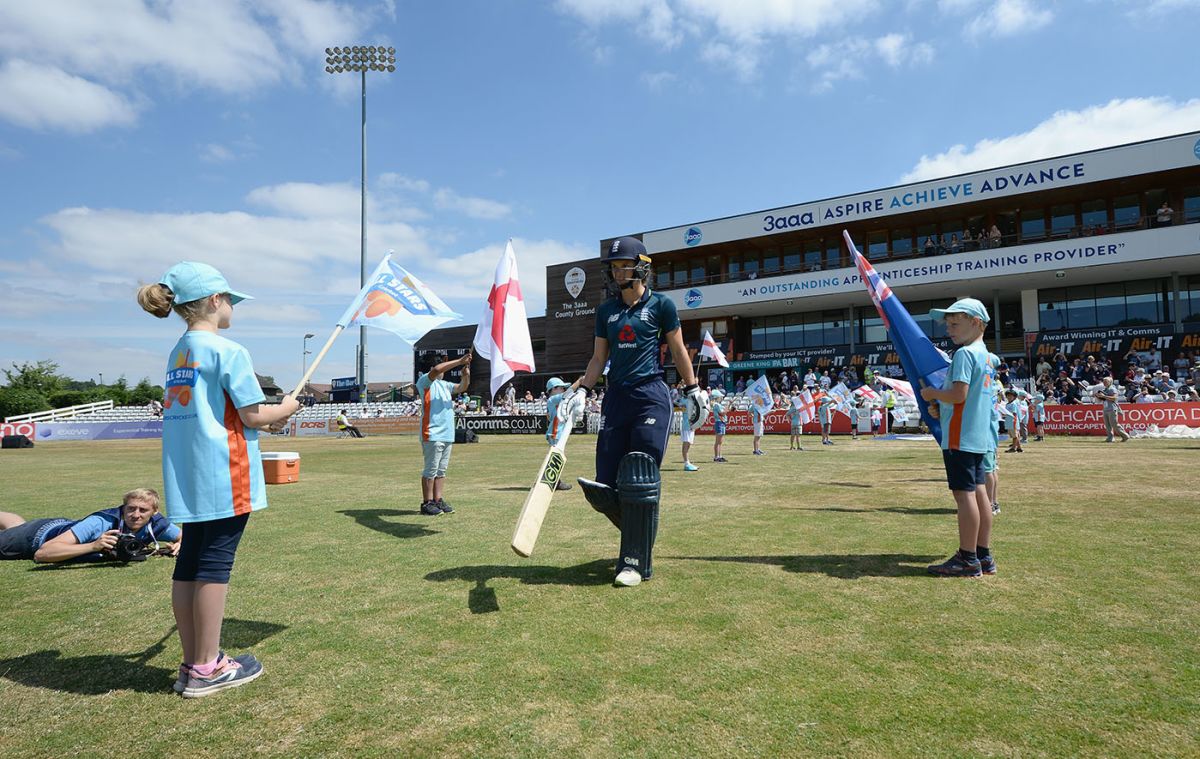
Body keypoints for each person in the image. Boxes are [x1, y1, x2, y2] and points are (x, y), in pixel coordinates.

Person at [138, 261, 300, 697]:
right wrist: (286, 408)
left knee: (191, 562)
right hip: (225, 472)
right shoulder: (228, 350)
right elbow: (253, 414)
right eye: (229, 299)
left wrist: (269, 419)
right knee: (213, 566)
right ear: (214, 300)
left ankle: (194, 664)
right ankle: (208, 669)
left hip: (189, 473)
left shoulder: (178, 351)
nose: (232, 307)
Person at [569, 236, 703, 588]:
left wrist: (693, 389)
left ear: (641, 266)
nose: (616, 272)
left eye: (622, 265)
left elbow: (677, 350)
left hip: (650, 396)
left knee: (639, 474)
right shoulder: (606, 311)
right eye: (612, 267)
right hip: (616, 398)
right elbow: (599, 358)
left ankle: (632, 561)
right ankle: (642, 538)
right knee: (604, 487)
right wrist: (584, 390)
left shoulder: (661, 305)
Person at [919, 298, 998, 578]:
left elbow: (958, 395)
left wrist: (933, 395)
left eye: (955, 323)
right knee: (980, 496)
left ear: (976, 323)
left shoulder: (964, 355)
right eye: (948, 324)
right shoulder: (988, 356)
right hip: (978, 437)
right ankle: (983, 555)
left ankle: (967, 558)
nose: (949, 329)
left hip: (959, 437)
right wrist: (943, 407)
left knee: (964, 497)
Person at [0, 488, 181, 563]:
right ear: (123, 508)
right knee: (17, 531)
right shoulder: (102, 522)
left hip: (59, 525)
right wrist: (93, 546)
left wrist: (181, 544)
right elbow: (42, 554)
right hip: (35, 537)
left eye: (143, 510)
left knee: (16, 525)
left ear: (154, 512)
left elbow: (184, 536)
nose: (136, 515)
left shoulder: (157, 524)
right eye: (131, 508)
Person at [416, 351, 473, 515]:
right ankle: (426, 503)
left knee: (441, 471)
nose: (443, 369)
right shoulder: (425, 382)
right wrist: (460, 361)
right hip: (432, 432)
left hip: (447, 433)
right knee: (430, 470)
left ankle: (437, 500)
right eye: (440, 364)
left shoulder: (445, 384)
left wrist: (465, 376)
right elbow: (436, 371)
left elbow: (463, 387)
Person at [544, 377, 577, 489]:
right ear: (553, 389)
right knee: (555, 457)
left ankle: (554, 480)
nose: (563, 390)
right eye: (561, 388)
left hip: (557, 433)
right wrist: (580, 382)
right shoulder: (552, 400)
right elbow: (567, 394)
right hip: (555, 433)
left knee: (555, 457)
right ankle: (555, 482)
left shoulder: (556, 401)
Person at [673, 382, 700, 472]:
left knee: (688, 444)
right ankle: (686, 463)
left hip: (691, 425)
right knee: (686, 444)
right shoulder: (685, 400)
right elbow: (675, 401)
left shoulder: (688, 400)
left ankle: (687, 462)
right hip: (687, 425)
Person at [1095, 376, 1130, 442]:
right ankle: (1110, 438)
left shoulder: (1112, 389)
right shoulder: (1105, 389)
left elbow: (1114, 398)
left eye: (1106, 381)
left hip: (1112, 408)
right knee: (1107, 425)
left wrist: (1104, 396)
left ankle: (1125, 435)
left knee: (1114, 424)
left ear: (1110, 382)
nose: (1104, 383)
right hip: (1106, 408)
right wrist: (1098, 396)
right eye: (1104, 381)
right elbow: (1103, 399)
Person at [1002, 389, 1024, 453]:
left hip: (1013, 421)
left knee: (1015, 436)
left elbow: (1014, 413)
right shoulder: (1007, 404)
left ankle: (1013, 448)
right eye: (1008, 396)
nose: (1009, 397)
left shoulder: (1013, 404)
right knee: (1015, 435)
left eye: (1011, 396)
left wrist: (1014, 421)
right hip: (1009, 422)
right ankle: (1019, 448)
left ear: (1014, 397)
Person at [711, 388, 728, 462]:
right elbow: (722, 413)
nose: (722, 398)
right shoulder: (716, 405)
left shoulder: (718, 405)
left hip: (722, 422)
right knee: (718, 441)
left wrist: (727, 408)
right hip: (719, 423)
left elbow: (724, 412)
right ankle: (716, 457)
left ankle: (719, 456)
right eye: (720, 397)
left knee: (720, 441)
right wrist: (726, 409)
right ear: (717, 397)